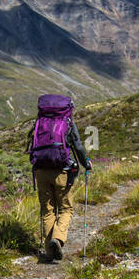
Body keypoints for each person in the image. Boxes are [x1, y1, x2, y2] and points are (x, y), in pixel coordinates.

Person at [26, 93, 91, 262]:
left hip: (40, 170)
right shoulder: (67, 123)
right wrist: (86, 163)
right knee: (65, 208)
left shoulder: (40, 123)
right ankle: (58, 238)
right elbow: (77, 146)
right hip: (61, 171)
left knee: (47, 211)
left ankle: (49, 252)